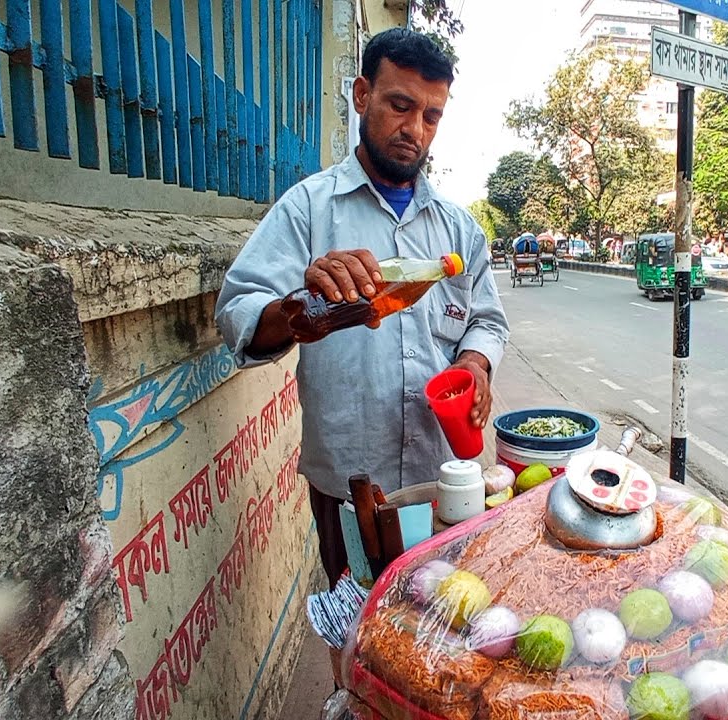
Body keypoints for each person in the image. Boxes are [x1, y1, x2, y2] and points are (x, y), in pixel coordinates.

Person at [214, 28, 509, 584]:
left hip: (441, 478)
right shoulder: (307, 208)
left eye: (431, 116)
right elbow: (237, 311)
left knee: (443, 622)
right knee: (358, 635)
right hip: (347, 487)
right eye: (400, 106)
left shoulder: (459, 229)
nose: (415, 130)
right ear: (360, 95)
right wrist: (297, 310)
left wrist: (475, 364)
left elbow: (486, 319)